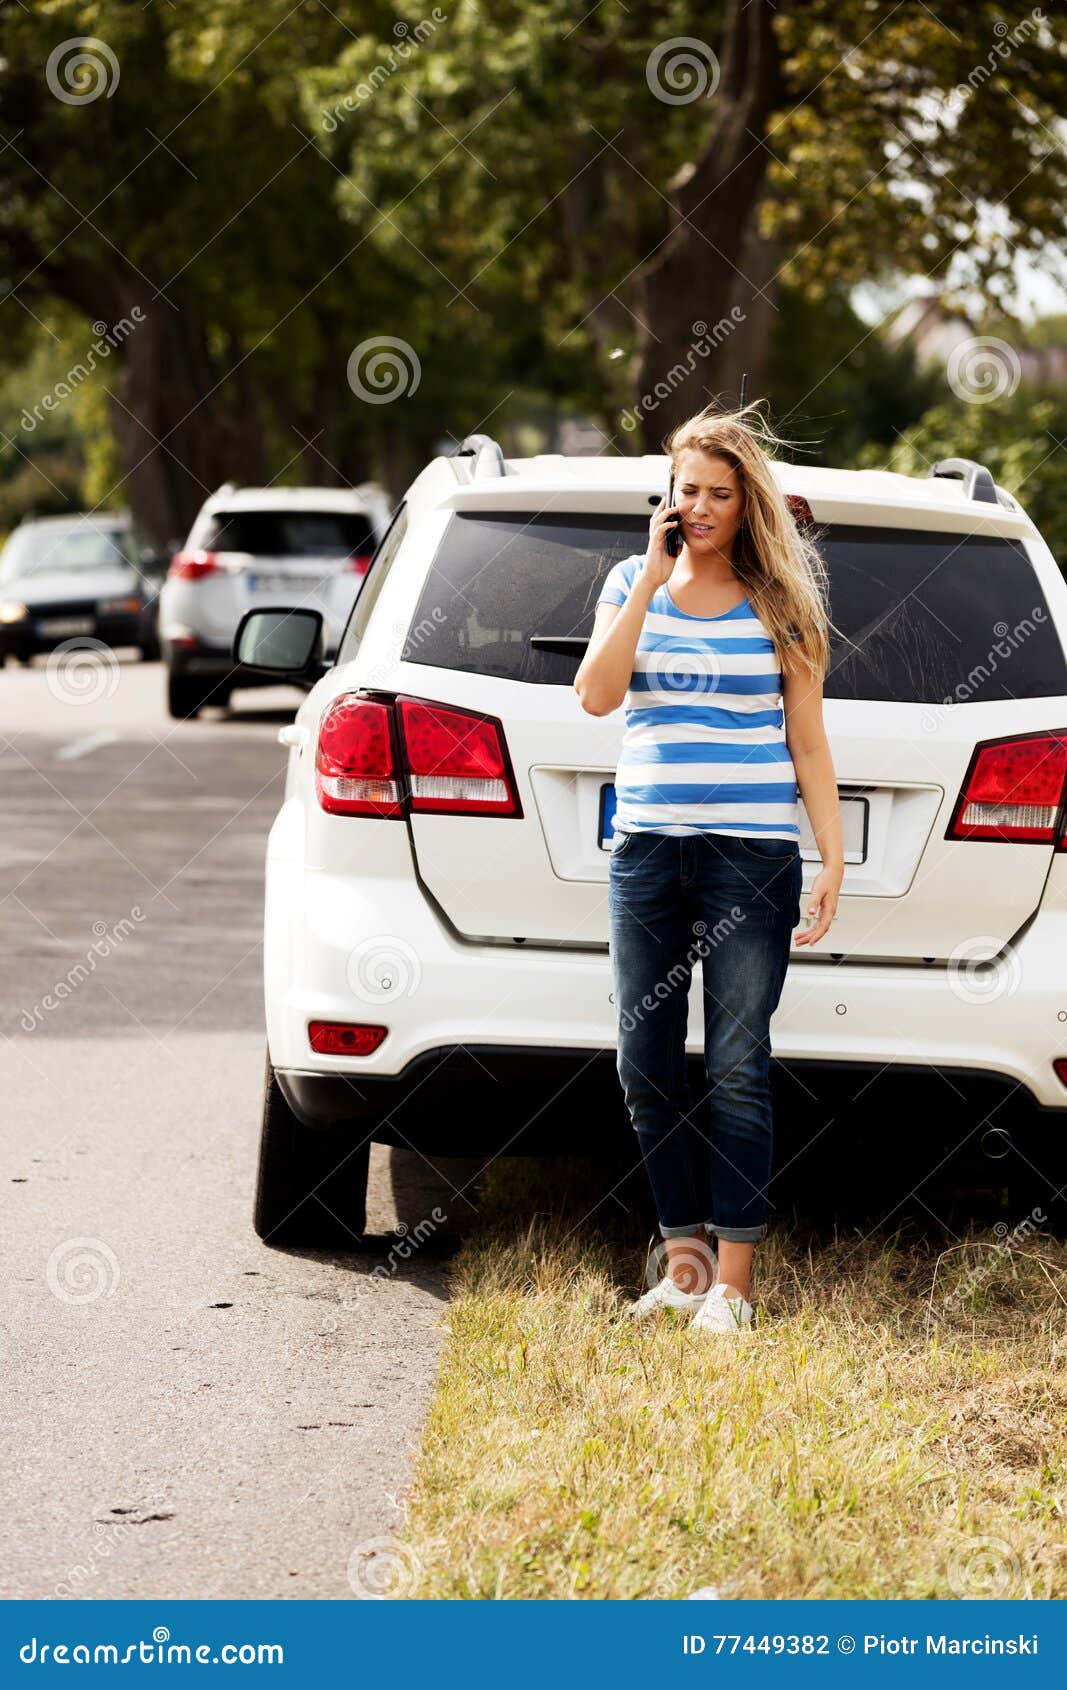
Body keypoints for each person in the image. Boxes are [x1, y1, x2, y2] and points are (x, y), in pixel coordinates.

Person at [573, 400, 843, 1337]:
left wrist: (831, 857)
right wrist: (648, 585)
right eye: (685, 489)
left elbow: (807, 741)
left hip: (751, 858)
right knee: (642, 1060)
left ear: (744, 503)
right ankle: (681, 1268)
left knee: (735, 1064)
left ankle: (732, 1289)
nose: (698, 506)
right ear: (666, 492)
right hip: (646, 849)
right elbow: (595, 698)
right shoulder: (624, 583)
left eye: (718, 493)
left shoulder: (777, 602)